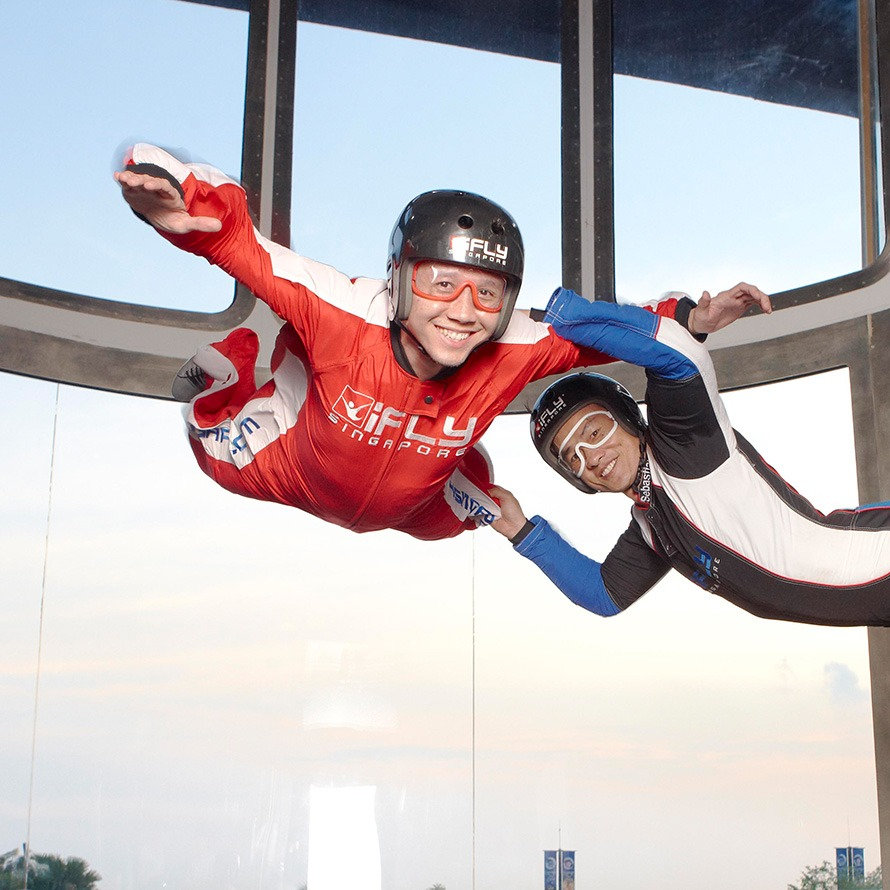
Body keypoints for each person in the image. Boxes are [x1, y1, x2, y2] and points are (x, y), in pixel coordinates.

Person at [114, 143, 764, 541]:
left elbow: (598, 337)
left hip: (412, 500)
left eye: (488, 293)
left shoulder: (511, 341)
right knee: (211, 447)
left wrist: (691, 317)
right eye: (441, 283)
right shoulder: (346, 310)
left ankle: (437, 479)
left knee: (461, 513)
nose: (464, 311)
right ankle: (233, 365)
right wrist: (185, 210)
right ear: (398, 278)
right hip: (291, 462)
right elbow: (242, 246)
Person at [490, 287, 890, 627]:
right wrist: (520, 530)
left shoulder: (682, 446)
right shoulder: (653, 524)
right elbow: (604, 593)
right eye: (571, 456)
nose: (590, 457)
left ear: (629, 418)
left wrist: (553, 317)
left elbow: (680, 357)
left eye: (594, 432)